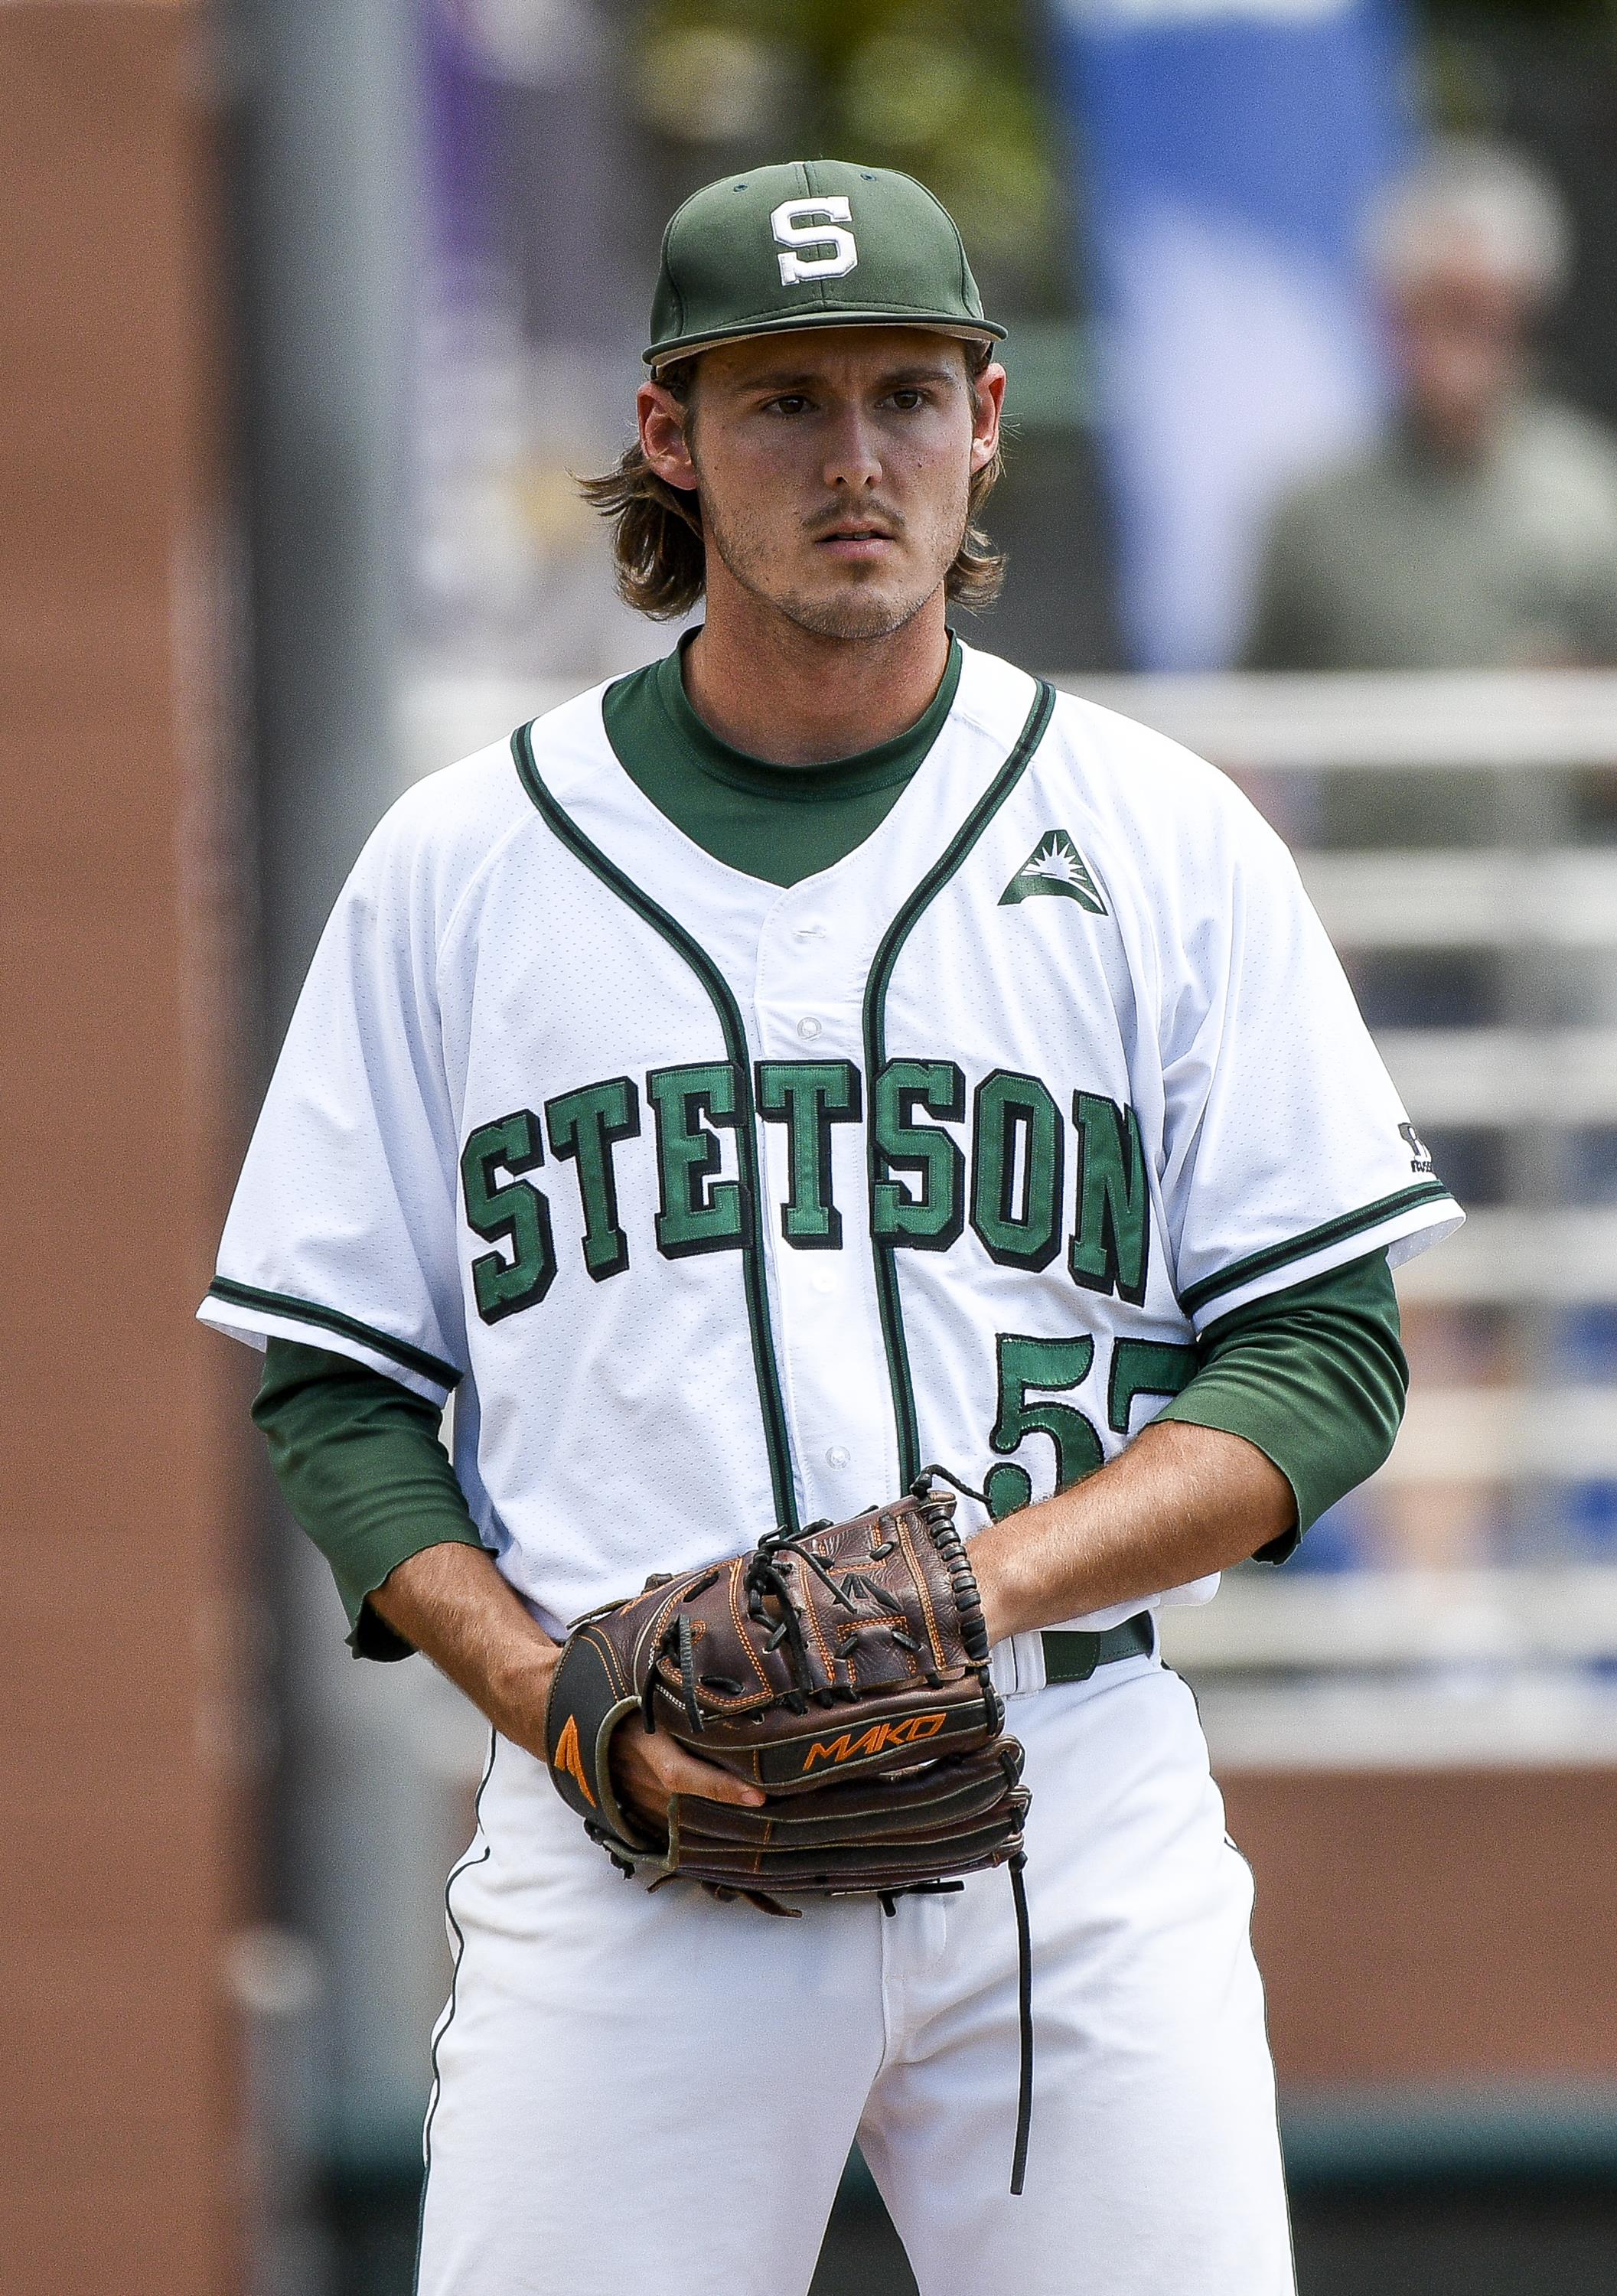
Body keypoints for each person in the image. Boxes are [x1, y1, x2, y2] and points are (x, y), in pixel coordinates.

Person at [203, 161, 1460, 2294]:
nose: (852, 457)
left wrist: (974, 1594)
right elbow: (335, 1390)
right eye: (783, 402)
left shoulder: (1157, 842)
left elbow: (1326, 1358)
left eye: (902, 392)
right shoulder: (461, 866)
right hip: (628, 1847)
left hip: (1066, 1806)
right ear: (671, 439)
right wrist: (556, 1698)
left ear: (985, 416)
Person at [1244, 141, 1617, 671]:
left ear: (1525, 312)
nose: (1458, 344)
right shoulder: (1311, 518)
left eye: (1479, 310)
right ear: (1386, 316)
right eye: (1432, 309)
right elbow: (1240, 726)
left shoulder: (1593, 500)